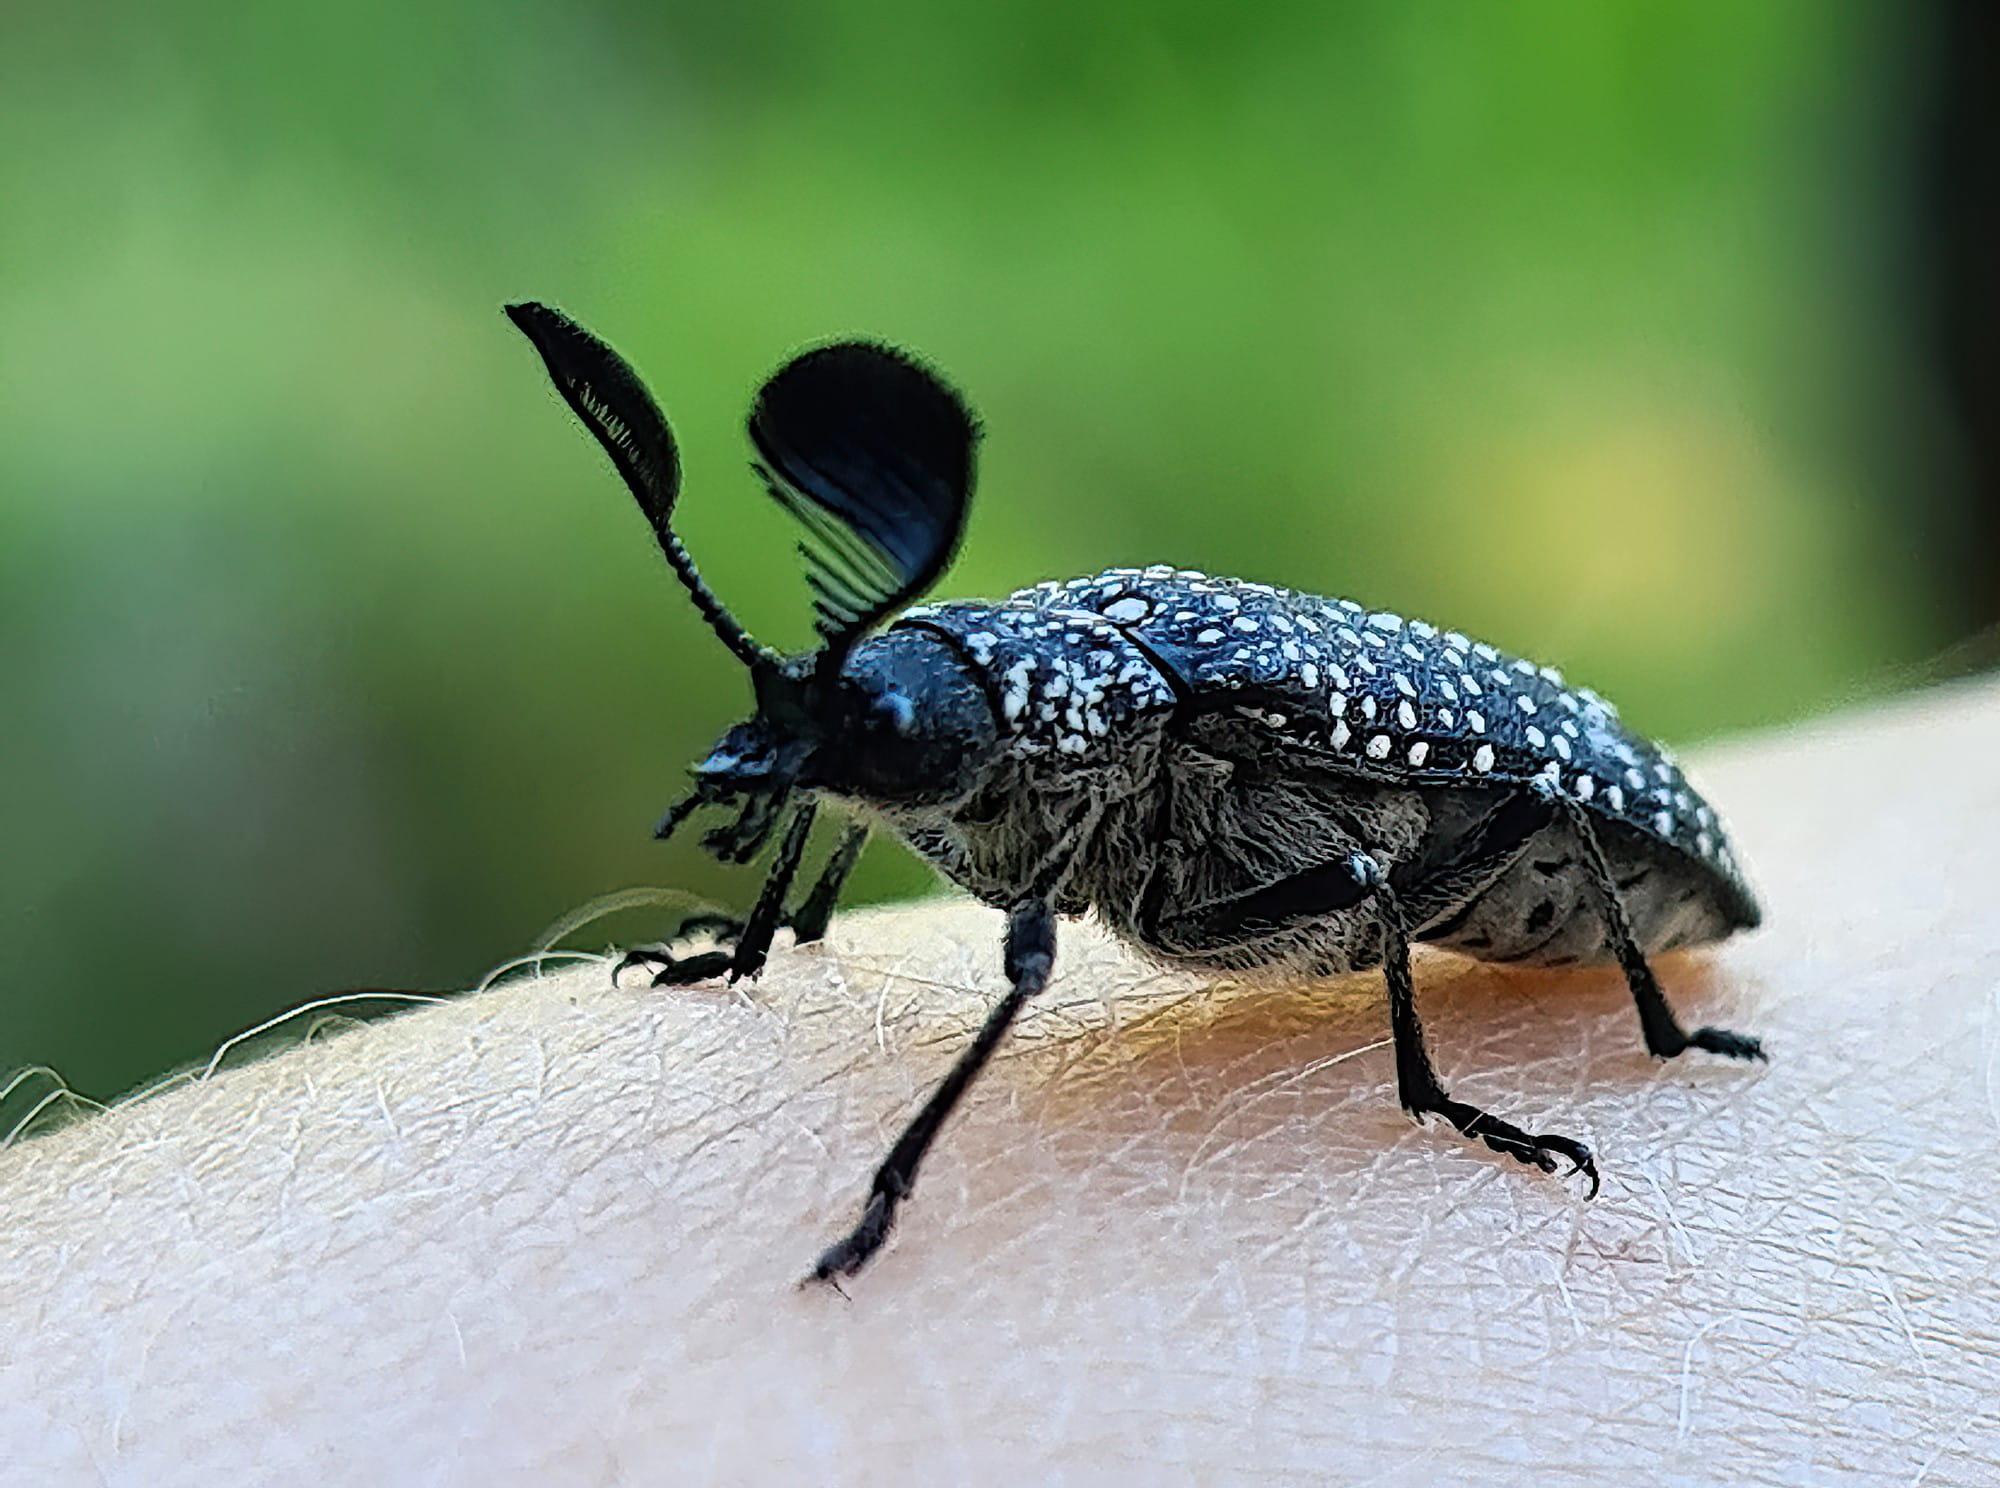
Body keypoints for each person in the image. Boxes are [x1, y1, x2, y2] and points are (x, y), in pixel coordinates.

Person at [0, 684, 1994, 1484]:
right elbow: (878, 780)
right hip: (1411, 829)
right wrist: (759, 927)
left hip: (1559, 839)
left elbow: (1397, 860)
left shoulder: (1138, 741)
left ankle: (1444, 1087)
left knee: (1381, 879)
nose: (853, 782)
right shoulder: (1014, 743)